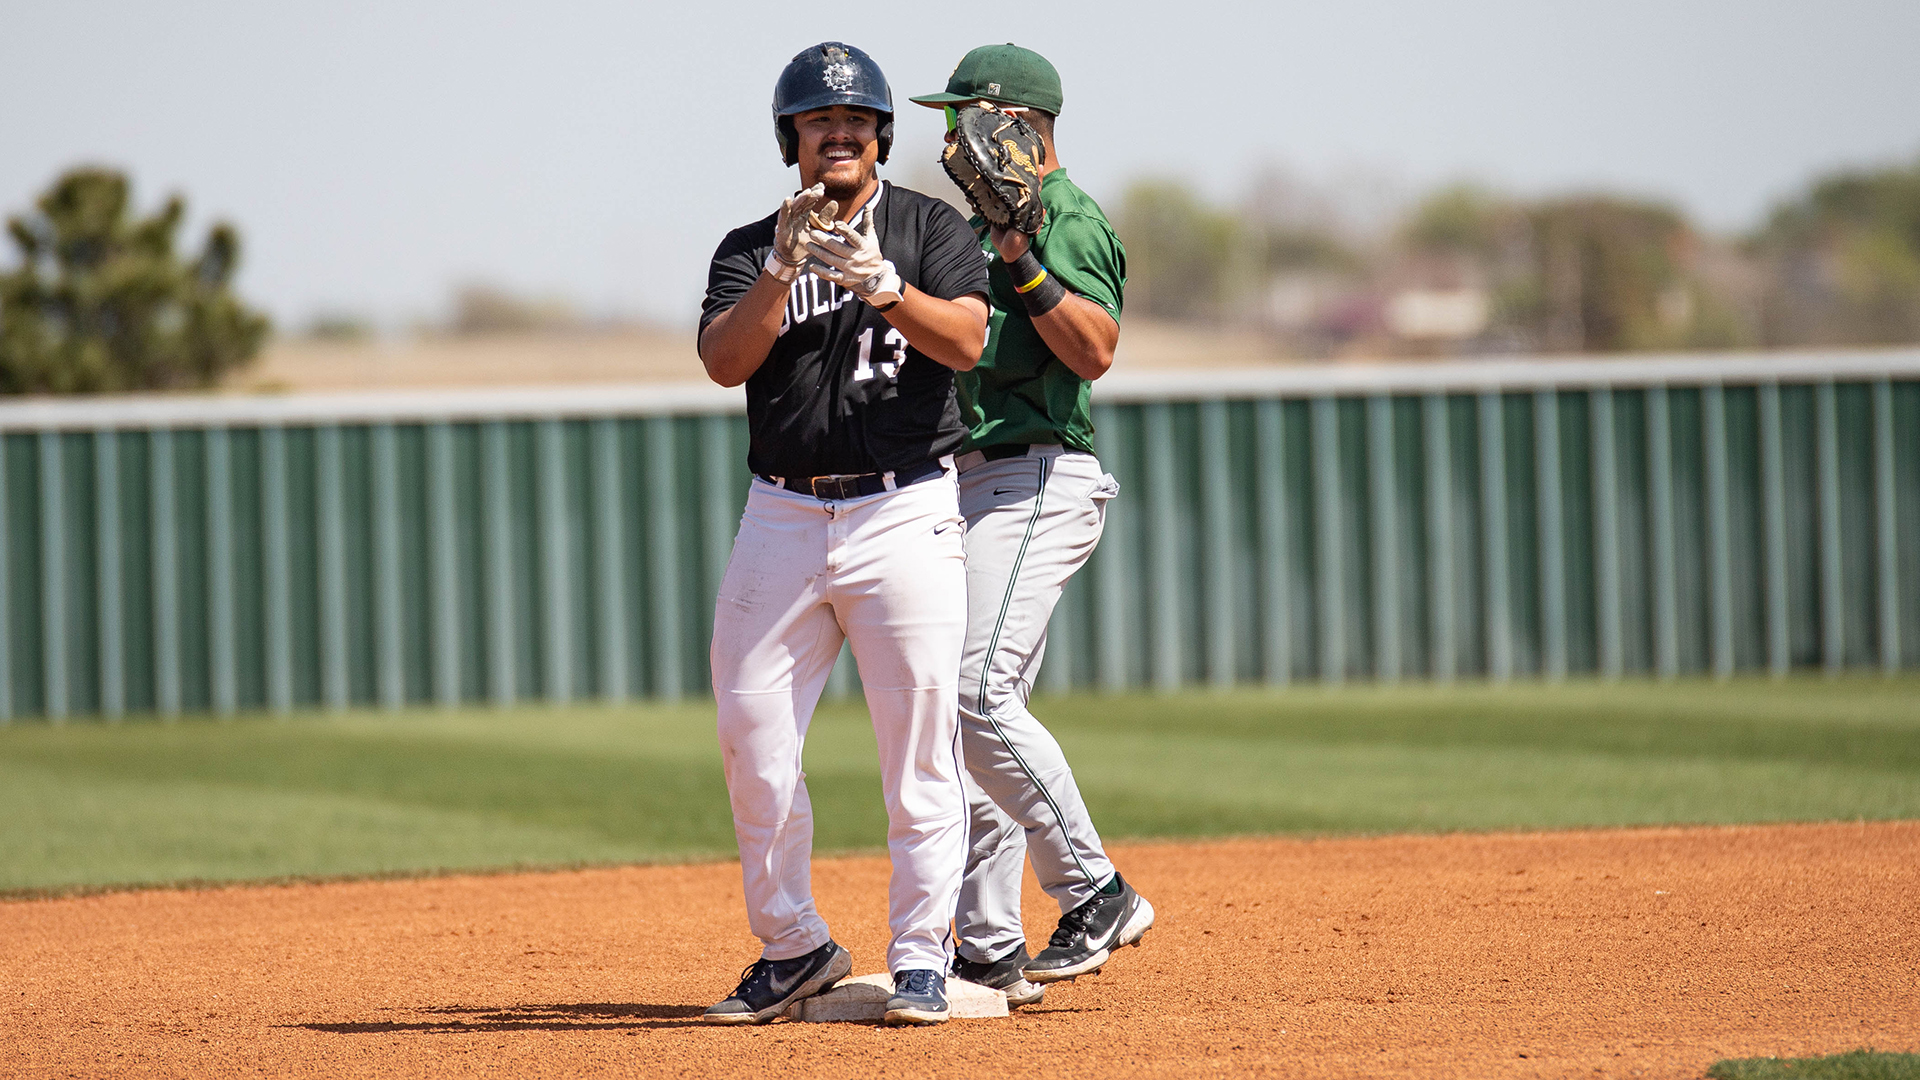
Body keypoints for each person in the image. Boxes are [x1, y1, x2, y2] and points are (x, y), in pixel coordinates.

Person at [695, 41, 992, 1028]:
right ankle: (793, 946)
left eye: (855, 122)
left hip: (903, 507)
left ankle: (921, 956)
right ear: (793, 140)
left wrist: (884, 286)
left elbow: (967, 341)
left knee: (917, 743)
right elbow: (723, 363)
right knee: (750, 728)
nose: (838, 135)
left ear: (879, 136)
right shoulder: (749, 246)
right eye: (820, 123)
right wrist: (780, 274)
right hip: (782, 508)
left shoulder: (926, 227)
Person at [909, 44, 1151, 1007]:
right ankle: (989, 942)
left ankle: (1095, 890)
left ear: (1017, 122)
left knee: (973, 694)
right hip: (968, 481)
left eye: (965, 113)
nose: (949, 134)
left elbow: (1094, 351)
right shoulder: (973, 225)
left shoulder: (1068, 216)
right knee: (968, 716)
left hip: (1038, 474)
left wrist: (1020, 252)